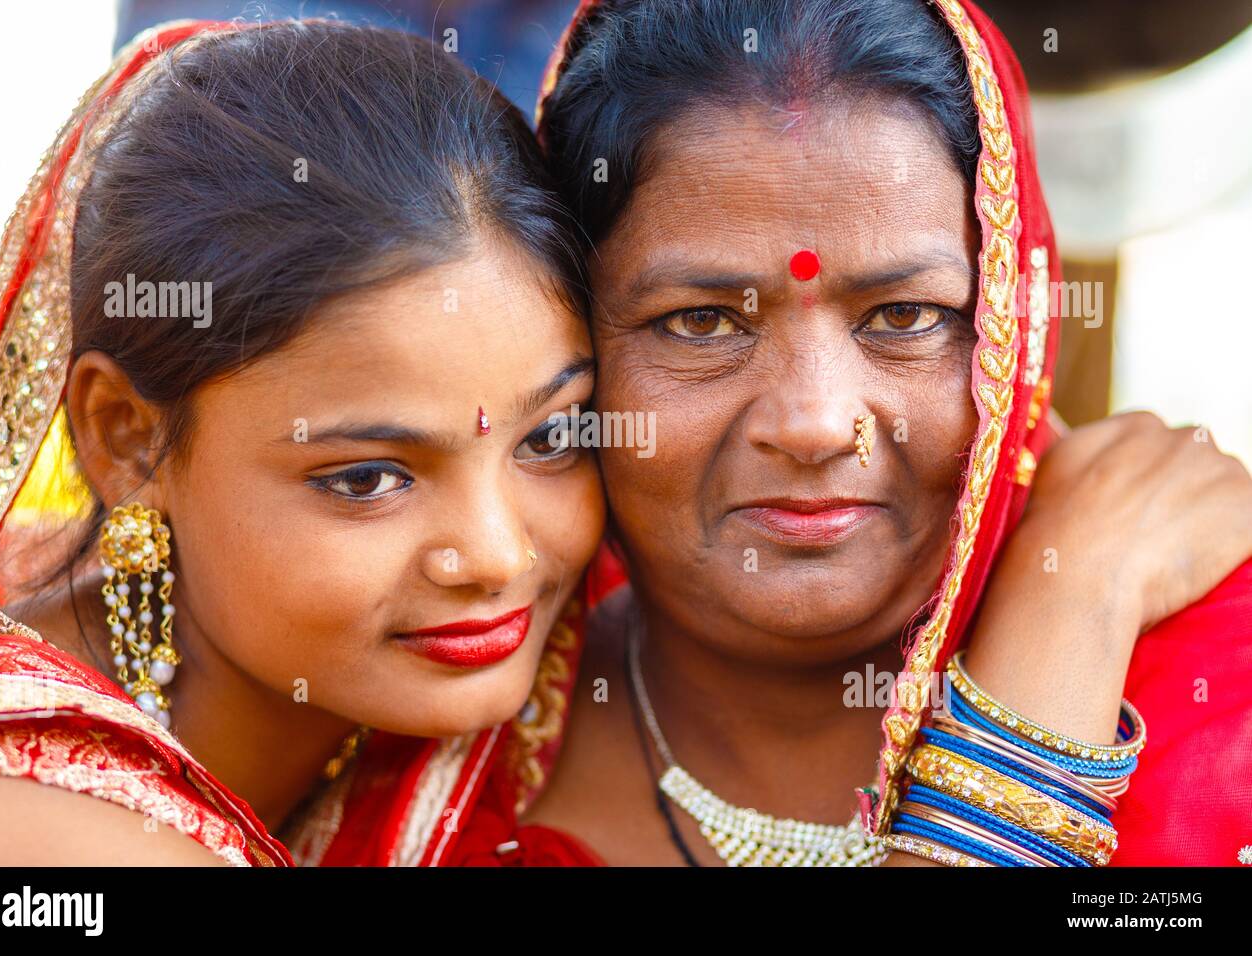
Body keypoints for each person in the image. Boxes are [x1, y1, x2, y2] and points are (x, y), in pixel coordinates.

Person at [309, 0, 1252, 866]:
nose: (812, 424)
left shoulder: (1223, 707)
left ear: (1011, 324)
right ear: (567, 339)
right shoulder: (381, 735)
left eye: (903, 316)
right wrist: (1070, 609)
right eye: (703, 322)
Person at [0, 19, 604, 865]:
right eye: (369, 479)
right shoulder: (40, 833)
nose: (495, 555)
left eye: (550, 437)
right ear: (129, 441)